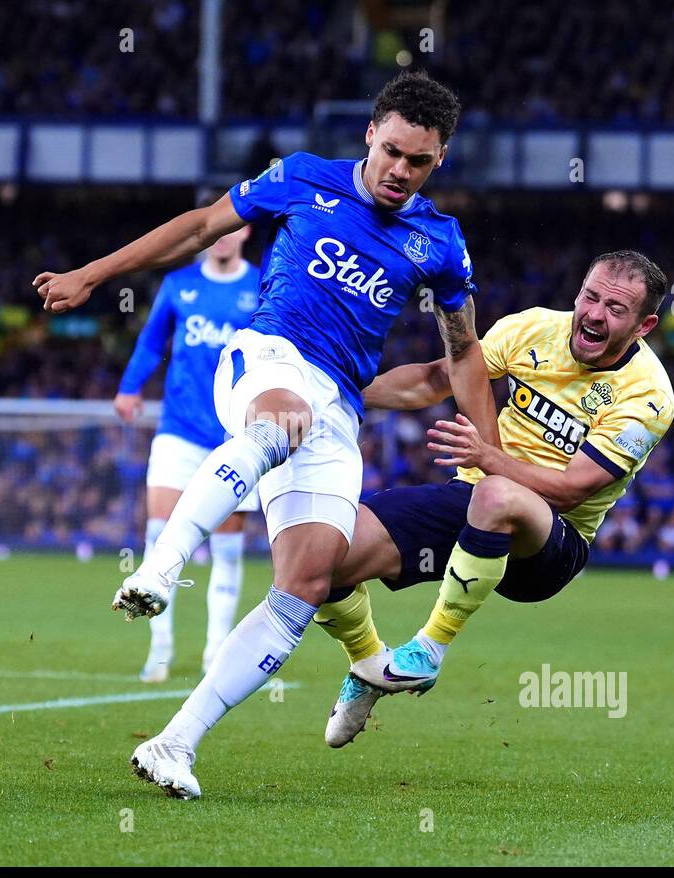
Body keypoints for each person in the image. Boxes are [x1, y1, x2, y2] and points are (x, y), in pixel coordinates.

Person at [34, 71, 493, 798]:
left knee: (307, 581)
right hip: (266, 359)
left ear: (440, 160)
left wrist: (490, 457)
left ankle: (173, 744)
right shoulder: (304, 179)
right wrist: (93, 273)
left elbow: (462, 351)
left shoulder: (439, 242)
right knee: (285, 416)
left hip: (340, 409)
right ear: (370, 133)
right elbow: (197, 227)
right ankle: (160, 567)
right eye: (394, 152)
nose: (402, 171)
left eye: (422, 161)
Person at [315, 251, 674, 745]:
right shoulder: (532, 329)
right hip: (474, 499)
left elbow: (574, 489)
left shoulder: (648, 396)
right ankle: (369, 665)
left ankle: (429, 649)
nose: (594, 314)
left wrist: (487, 457)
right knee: (325, 553)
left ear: (644, 325)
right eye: (590, 296)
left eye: (616, 309)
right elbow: (435, 379)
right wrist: (338, 391)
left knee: (497, 493)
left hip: (550, 544)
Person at [115, 224, 261, 682]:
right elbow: (152, 340)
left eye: (231, 231)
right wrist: (129, 386)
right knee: (160, 538)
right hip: (178, 429)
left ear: (245, 233)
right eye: (216, 231)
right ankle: (159, 650)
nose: (221, 238)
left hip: (237, 433)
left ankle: (215, 651)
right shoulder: (179, 285)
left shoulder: (261, 286)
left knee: (227, 549)